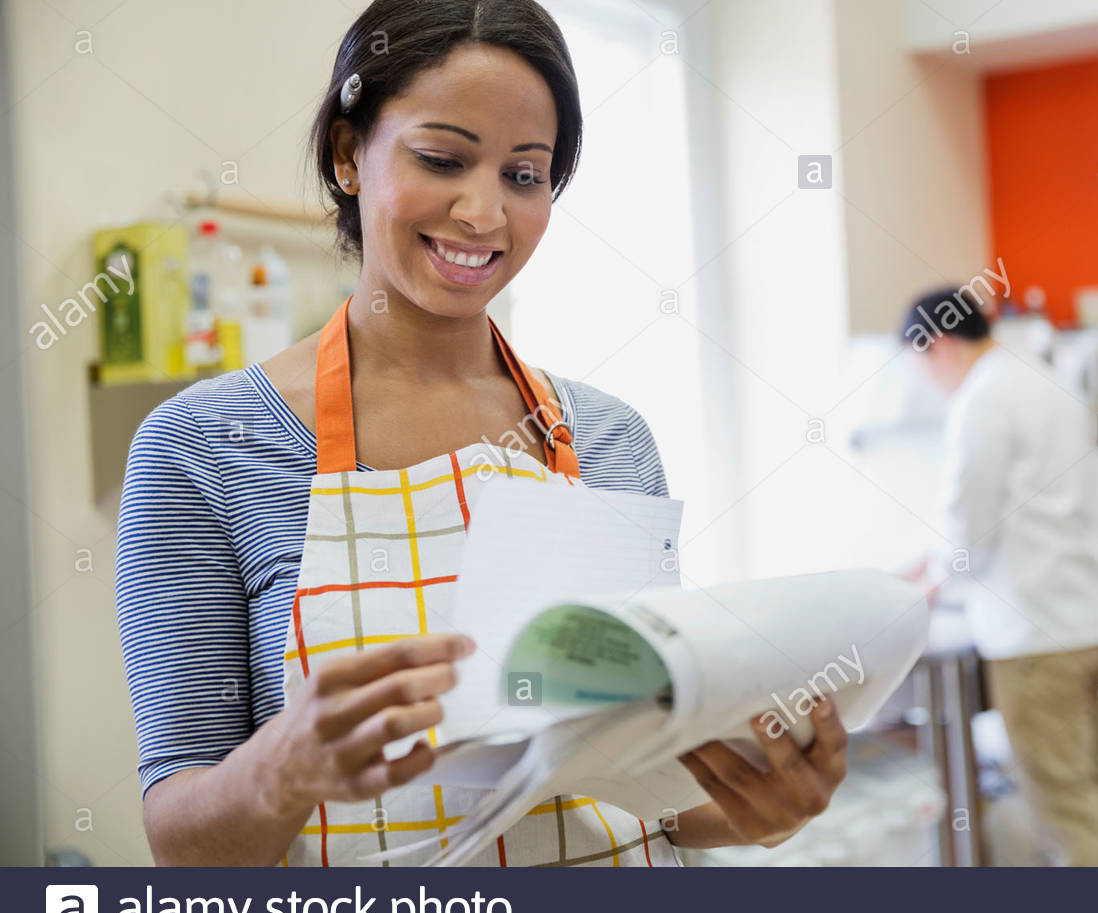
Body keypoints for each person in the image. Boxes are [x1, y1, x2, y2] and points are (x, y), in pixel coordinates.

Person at [115, 0, 847, 867]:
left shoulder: (611, 439)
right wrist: (284, 768)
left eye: (523, 175)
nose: (483, 213)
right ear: (350, 155)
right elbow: (183, 846)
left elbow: (644, 791)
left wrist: (762, 811)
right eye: (442, 158)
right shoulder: (203, 447)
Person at [901, 286, 1098, 866]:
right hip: (1085, 618)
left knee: (1065, 805)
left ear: (935, 346)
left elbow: (970, 527)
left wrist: (932, 578)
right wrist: (935, 559)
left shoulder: (981, 400)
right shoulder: (1044, 381)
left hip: (1035, 634)